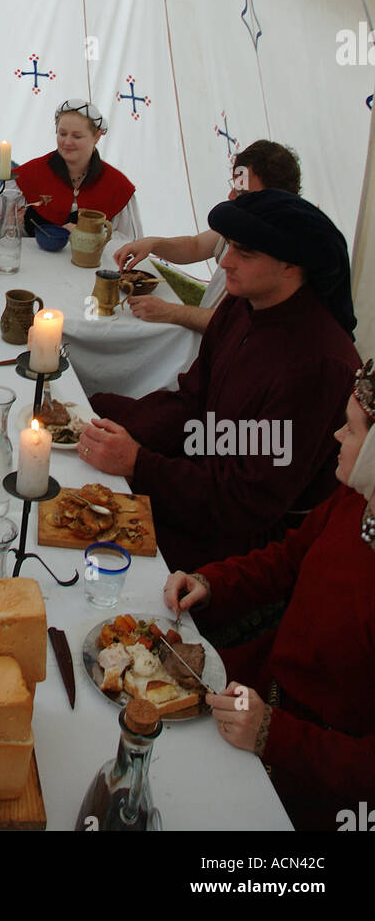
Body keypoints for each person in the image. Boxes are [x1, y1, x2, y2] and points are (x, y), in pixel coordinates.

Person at [79, 190, 360, 570]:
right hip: (202, 470)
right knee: (88, 417)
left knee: (93, 543)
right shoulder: (243, 306)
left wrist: (139, 464)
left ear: (291, 266)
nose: (225, 261)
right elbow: (192, 403)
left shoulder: (318, 365)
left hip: (245, 535)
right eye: (228, 246)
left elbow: (248, 500)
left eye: (245, 253)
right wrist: (99, 417)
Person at [164, 362, 375, 831]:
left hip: (315, 783)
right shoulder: (356, 499)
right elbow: (290, 557)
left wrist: (274, 735)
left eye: (353, 429)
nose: (338, 436)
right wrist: (213, 582)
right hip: (259, 686)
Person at [114, 140, 302, 334]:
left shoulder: (277, 257)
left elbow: (238, 324)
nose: (230, 196)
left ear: (275, 198)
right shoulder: (242, 225)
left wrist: (170, 312)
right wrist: (152, 244)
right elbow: (194, 246)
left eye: (242, 192)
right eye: (234, 186)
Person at [0, 99, 141, 239]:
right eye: (62, 134)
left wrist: (93, 236)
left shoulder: (117, 186)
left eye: (77, 136)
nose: (67, 142)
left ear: (97, 137)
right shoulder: (27, 176)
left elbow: (129, 244)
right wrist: (12, 226)